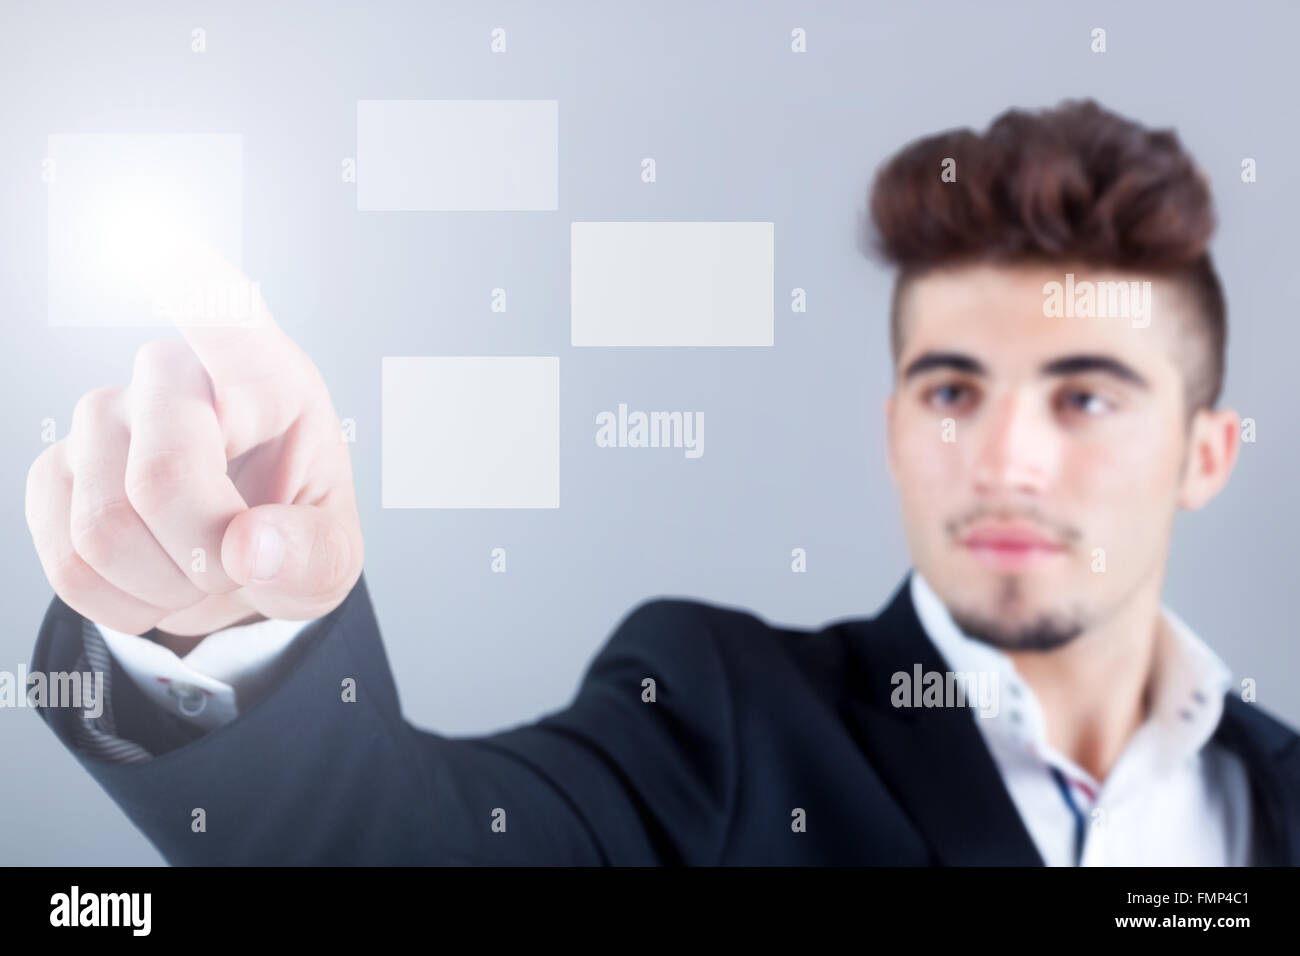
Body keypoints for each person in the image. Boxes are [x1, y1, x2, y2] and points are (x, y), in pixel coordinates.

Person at [25, 99, 1300, 865]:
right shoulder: (724, 721)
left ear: (1204, 453)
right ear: (897, 425)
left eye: (1085, 396)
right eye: (954, 390)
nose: (1005, 458)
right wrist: (225, 623)